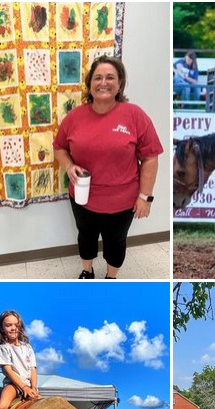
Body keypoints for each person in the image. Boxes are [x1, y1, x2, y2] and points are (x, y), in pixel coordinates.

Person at [54, 56, 163, 279]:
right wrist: (68, 166)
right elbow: (59, 147)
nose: (103, 82)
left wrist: (145, 197)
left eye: (110, 77)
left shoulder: (135, 115)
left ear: (120, 83)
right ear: (89, 84)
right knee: (85, 236)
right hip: (83, 198)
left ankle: (111, 277)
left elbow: (150, 158)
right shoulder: (74, 117)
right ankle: (87, 271)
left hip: (122, 202)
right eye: (98, 77)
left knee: (116, 242)